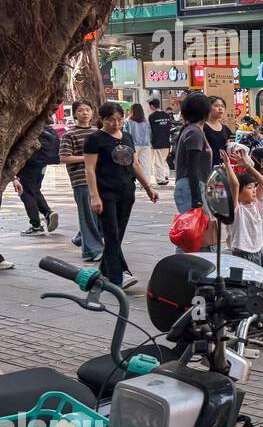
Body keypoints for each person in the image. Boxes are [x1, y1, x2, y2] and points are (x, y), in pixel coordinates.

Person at [83, 101, 158, 288]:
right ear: (101, 119)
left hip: (126, 190)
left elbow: (134, 164)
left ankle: (103, 272)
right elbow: (89, 170)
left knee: (117, 234)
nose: (116, 124)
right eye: (111, 121)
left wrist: (148, 187)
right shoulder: (94, 139)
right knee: (111, 234)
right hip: (105, 192)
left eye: (119, 120)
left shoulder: (127, 137)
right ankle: (119, 277)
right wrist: (94, 196)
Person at [60, 99, 103, 262]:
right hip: (81, 179)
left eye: (87, 110)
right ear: (75, 114)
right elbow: (64, 158)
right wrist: (87, 159)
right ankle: (92, 250)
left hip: (100, 178)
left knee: (100, 214)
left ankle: (81, 237)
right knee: (88, 215)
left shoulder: (97, 132)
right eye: (80, 110)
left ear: (92, 112)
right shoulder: (69, 134)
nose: (85, 113)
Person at [224, 146, 263, 265]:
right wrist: (228, 166)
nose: (254, 190)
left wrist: (247, 167)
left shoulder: (254, 203)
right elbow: (235, 185)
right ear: (238, 194)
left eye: (254, 187)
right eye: (249, 188)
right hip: (241, 252)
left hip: (257, 251)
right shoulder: (237, 208)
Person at [17, 119, 60, 235]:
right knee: (35, 190)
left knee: (26, 192)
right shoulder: (42, 124)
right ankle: (48, 214)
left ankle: (36, 225)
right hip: (42, 162)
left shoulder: (25, 123)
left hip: (28, 163)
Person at [173, 92, 212, 216]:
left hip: (192, 186)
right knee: (198, 231)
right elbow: (192, 168)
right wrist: (197, 198)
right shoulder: (194, 133)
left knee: (203, 230)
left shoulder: (191, 130)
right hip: (191, 187)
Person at [146, 97, 173, 186]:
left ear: (152, 106)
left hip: (157, 142)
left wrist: (150, 142)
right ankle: (166, 175)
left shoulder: (152, 117)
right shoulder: (166, 115)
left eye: (150, 106)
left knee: (158, 162)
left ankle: (160, 179)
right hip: (166, 142)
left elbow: (150, 131)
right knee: (163, 160)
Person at [204, 95, 233, 160]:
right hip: (206, 165)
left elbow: (227, 148)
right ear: (208, 108)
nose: (220, 108)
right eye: (216, 106)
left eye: (222, 106)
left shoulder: (225, 128)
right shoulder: (202, 127)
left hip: (223, 165)